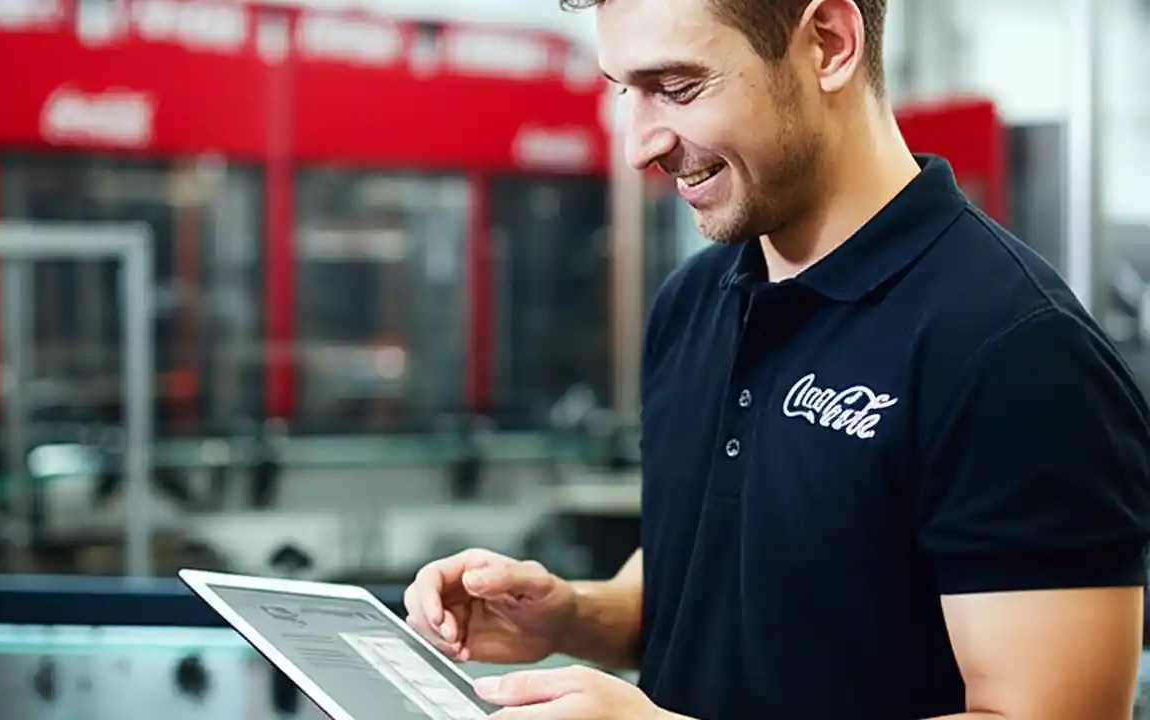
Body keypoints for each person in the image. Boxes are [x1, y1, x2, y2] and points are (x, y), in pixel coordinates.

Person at [404, 0, 1150, 717]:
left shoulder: (1014, 349)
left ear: (829, 43)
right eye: (627, 92)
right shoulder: (694, 301)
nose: (640, 145)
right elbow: (717, 583)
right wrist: (572, 616)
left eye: (678, 88)